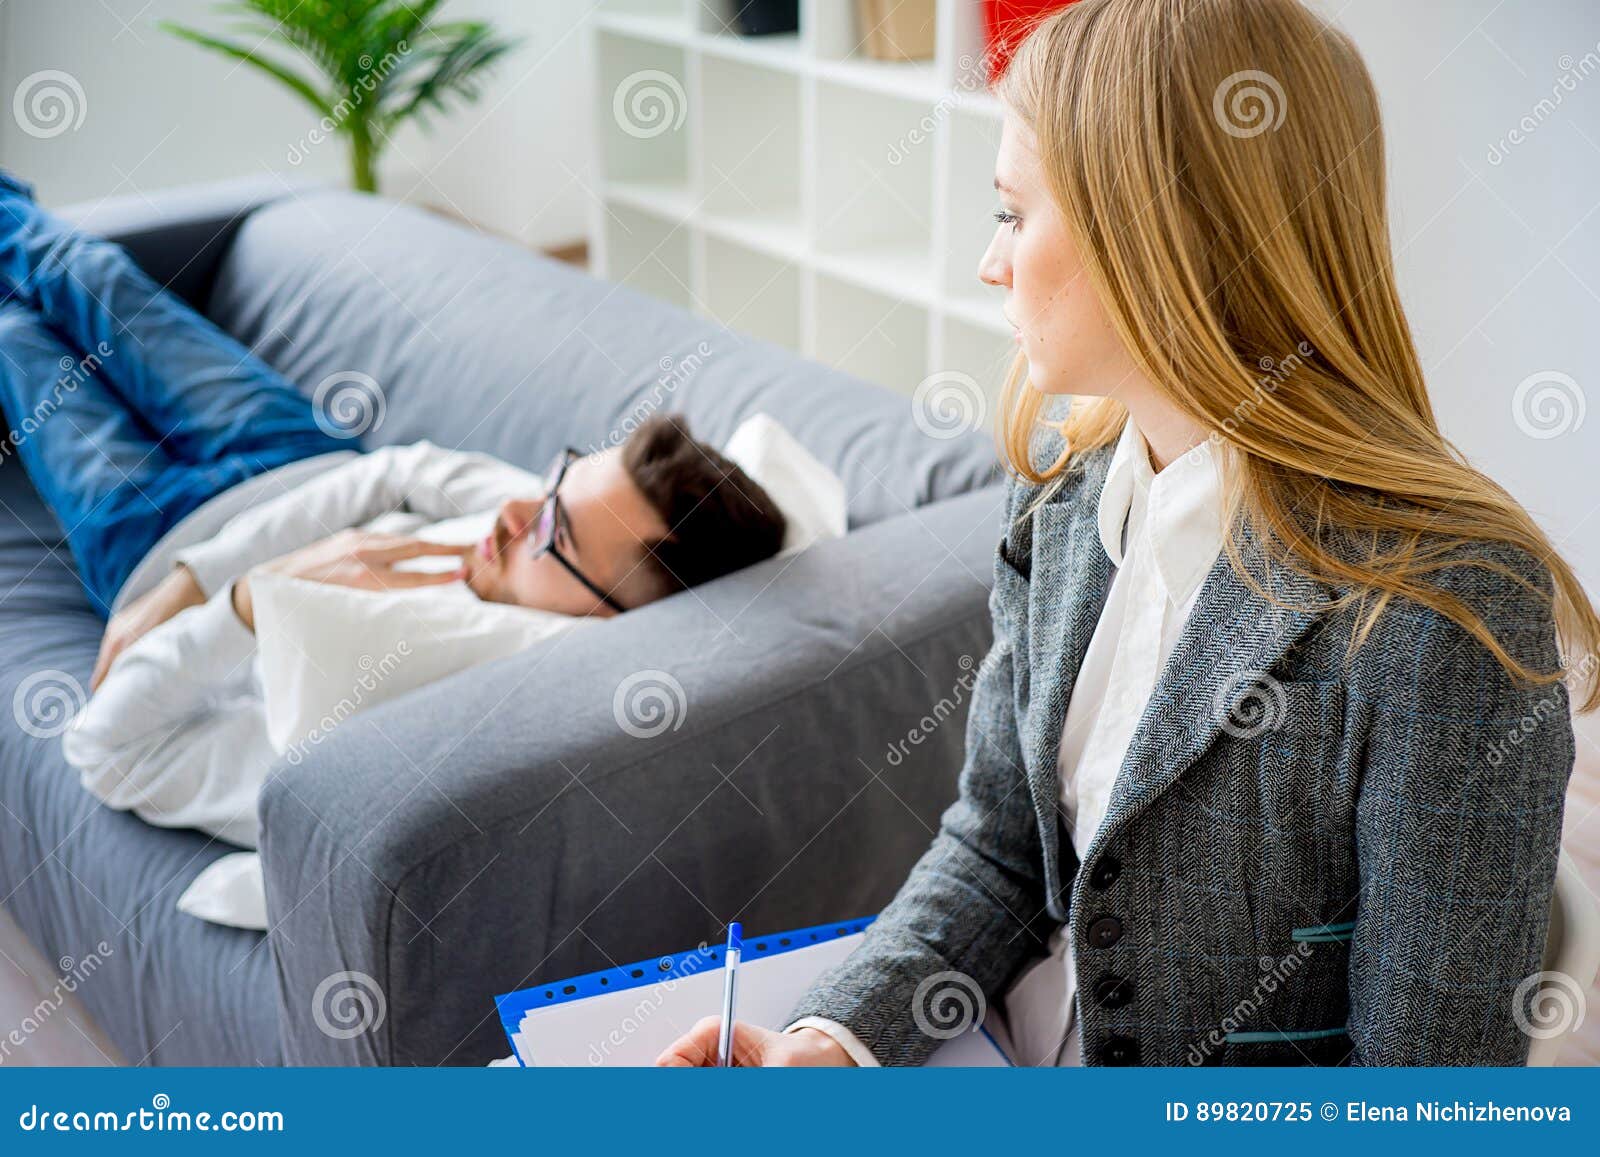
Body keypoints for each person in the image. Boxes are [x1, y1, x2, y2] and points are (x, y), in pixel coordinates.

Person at [658, 0, 1599, 1067]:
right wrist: (832, 1039)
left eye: (1012, 213)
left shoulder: (1446, 607)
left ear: (1157, 238)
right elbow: (1001, 850)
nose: (989, 262)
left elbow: (1421, 1095)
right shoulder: (1060, 503)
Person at [0, 172, 786, 847]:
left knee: (14, 334)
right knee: (84, 266)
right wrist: (194, 577)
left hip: (146, 526)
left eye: (553, 527)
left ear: (610, 622)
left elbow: (106, 750)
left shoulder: (391, 710)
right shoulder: (526, 534)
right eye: (555, 481)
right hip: (290, 456)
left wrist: (242, 600)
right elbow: (406, 470)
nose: (513, 510)